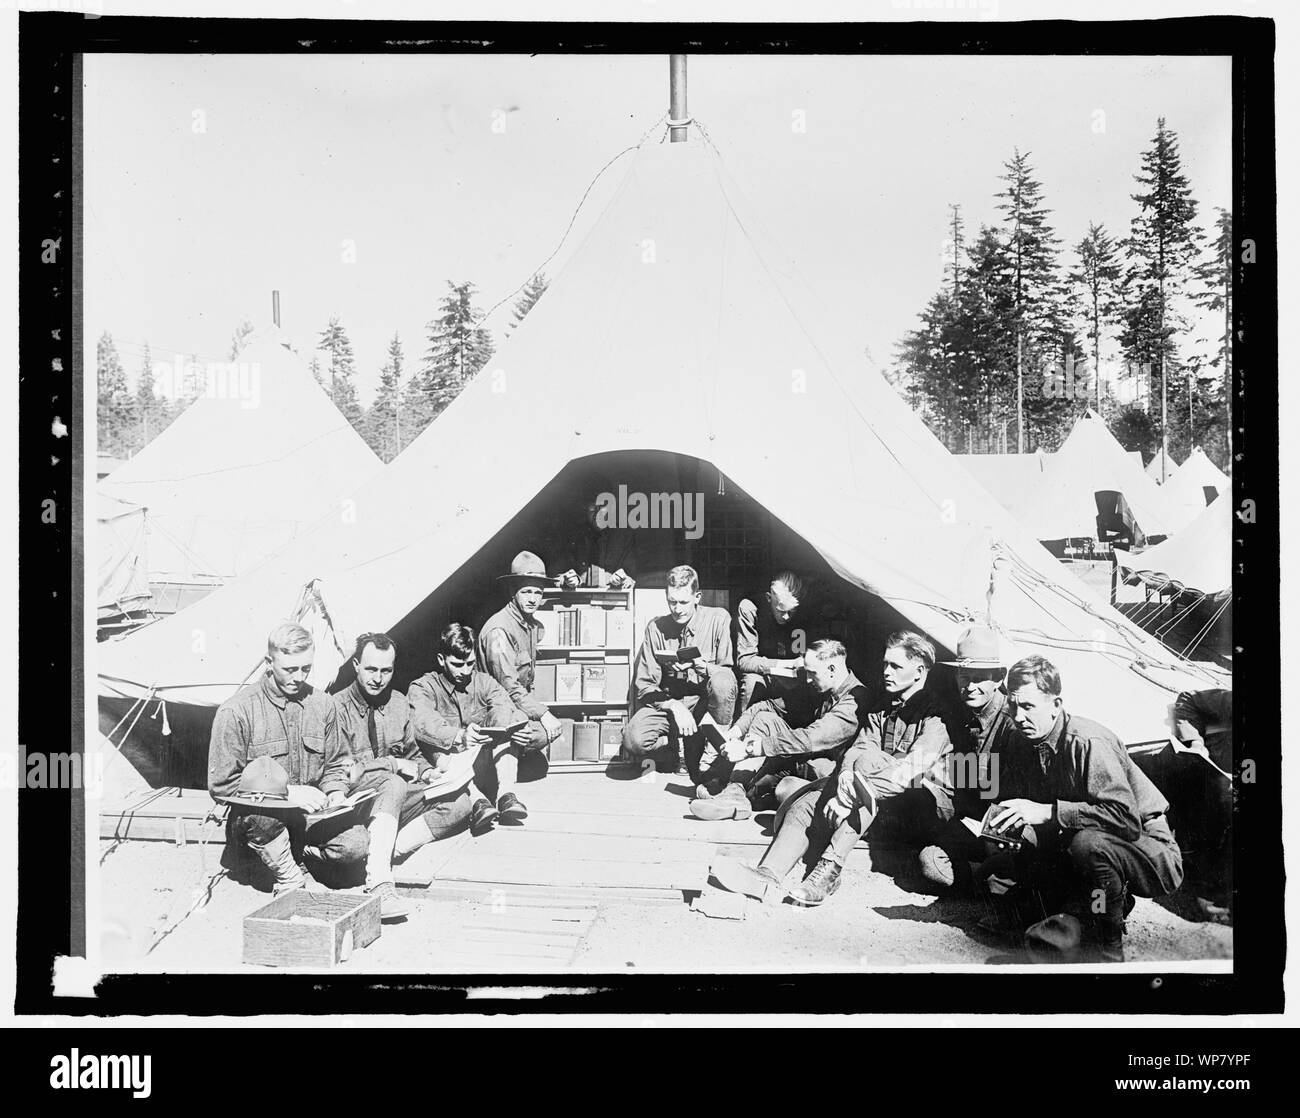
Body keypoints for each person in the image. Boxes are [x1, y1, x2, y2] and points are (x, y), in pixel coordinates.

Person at [709, 630, 954, 907]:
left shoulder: (938, 715)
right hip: (878, 799)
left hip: (924, 808)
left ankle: (829, 870)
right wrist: (847, 779)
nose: (887, 671)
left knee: (867, 773)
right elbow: (859, 749)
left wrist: (853, 791)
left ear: (920, 671)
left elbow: (909, 770)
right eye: (885, 664)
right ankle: (767, 875)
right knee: (806, 804)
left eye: (896, 666)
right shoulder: (883, 707)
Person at [977, 655, 1184, 962]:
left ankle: (1108, 949)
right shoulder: (1023, 740)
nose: (1018, 716)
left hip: (1150, 849)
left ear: (1056, 705)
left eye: (1029, 706)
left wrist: (1046, 813)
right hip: (1080, 842)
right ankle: (1095, 903)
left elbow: (1125, 820)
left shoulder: (1088, 742)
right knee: (1010, 879)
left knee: (1088, 846)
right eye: (1013, 707)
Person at [209, 621, 363, 897]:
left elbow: (337, 763)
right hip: (260, 823)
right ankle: (291, 878)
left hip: (310, 820)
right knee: (259, 816)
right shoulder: (236, 711)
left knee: (356, 845)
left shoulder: (323, 705)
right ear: (269, 662)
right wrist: (287, 792)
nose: (298, 677)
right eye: (289, 669)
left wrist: (336, 792)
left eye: (306, 668)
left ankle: (297, 856)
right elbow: (222, 785)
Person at [332, 633, 473, 920]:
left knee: (461, 804)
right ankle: (380, 884)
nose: (378, 679)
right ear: (356, 665)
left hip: (393, 805)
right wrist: (392, 763)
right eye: (371, 669)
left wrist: (427, 771)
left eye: (386, 671)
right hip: (356, 803)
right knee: (394, 782)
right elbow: (345, 771)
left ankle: (383, 853)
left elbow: (413, 753)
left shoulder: (398, 703)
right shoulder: (336, 707)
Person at [689, 638, 869, 821]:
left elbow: (811, 738)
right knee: (766, 720)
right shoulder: (821, 686)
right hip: (804, 758)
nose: (807, 679)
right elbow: (768, 706)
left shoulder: (855, 700)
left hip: (828, 770)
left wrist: (750, 749)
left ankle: (741, 792)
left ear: (832, 670)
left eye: (812, 673)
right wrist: (736, 730)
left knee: (769, 789)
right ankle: (735, 791)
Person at [916, 624, 1018, 892]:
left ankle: (996, 882)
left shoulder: (1013, 724)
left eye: (980, 677)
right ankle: (986, 880)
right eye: (964, 676)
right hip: (976, 821)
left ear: (998, 677)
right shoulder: (963, 719)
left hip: (1009, 827)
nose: (970, 686)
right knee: (929, 861)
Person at [412, 622, 539, 832]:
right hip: (447, 765)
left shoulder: (484, 681)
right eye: (457, 664)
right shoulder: (423, 686)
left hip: (483, 761)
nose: (465, 670)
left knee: (507, 717)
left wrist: (518, 727)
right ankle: (477, 801)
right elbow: (421, 722)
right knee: (432, 746)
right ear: (441, 660)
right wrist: (459, 736)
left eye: (470, 663)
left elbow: (504, 705)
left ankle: (506, 795)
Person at [621, 564, 737, 779]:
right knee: (633, 741)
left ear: (697, 597)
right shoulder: (656, 628)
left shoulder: (718, 619)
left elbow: (727, 676)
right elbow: (645, 685)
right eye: (671, 602)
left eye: (683, 602)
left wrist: (704, 668)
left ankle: (712, 751)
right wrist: (674, 706)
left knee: (722, 682)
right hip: (670, 705)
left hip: (705, 705)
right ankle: (674, 743)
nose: (677, 609)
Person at [476, 551, 561, 801]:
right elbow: (508, 687)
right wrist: (543, 714)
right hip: (491, 710)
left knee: (541, 748)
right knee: (539, 732)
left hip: (514, 706)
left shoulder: (528, 624)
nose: (533, 598)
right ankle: (497, 782)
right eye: (526, 591)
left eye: (538, 592)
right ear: (512, 591)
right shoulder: (500, 629)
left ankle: (504, 756)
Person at [734, 572, 808, 712]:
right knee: (752, 684)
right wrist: (784, 665)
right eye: (781, 611)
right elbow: (745, 660)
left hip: (792, 677)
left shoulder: (800, 614)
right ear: (769, 598)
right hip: (761, 674)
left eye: (792, 612)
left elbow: (802, 652)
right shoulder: (749, 608)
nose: (786, 617)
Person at [557, 487, 638, 590]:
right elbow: (556, 576)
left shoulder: (625, 538)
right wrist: (567, 580)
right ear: (585, 509)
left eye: (603, 506)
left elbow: (634, 578)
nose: (598, 512)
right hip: (579, 601)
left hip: (614, 601)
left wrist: (625, 580)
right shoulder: (574, 537)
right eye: (592, 507)